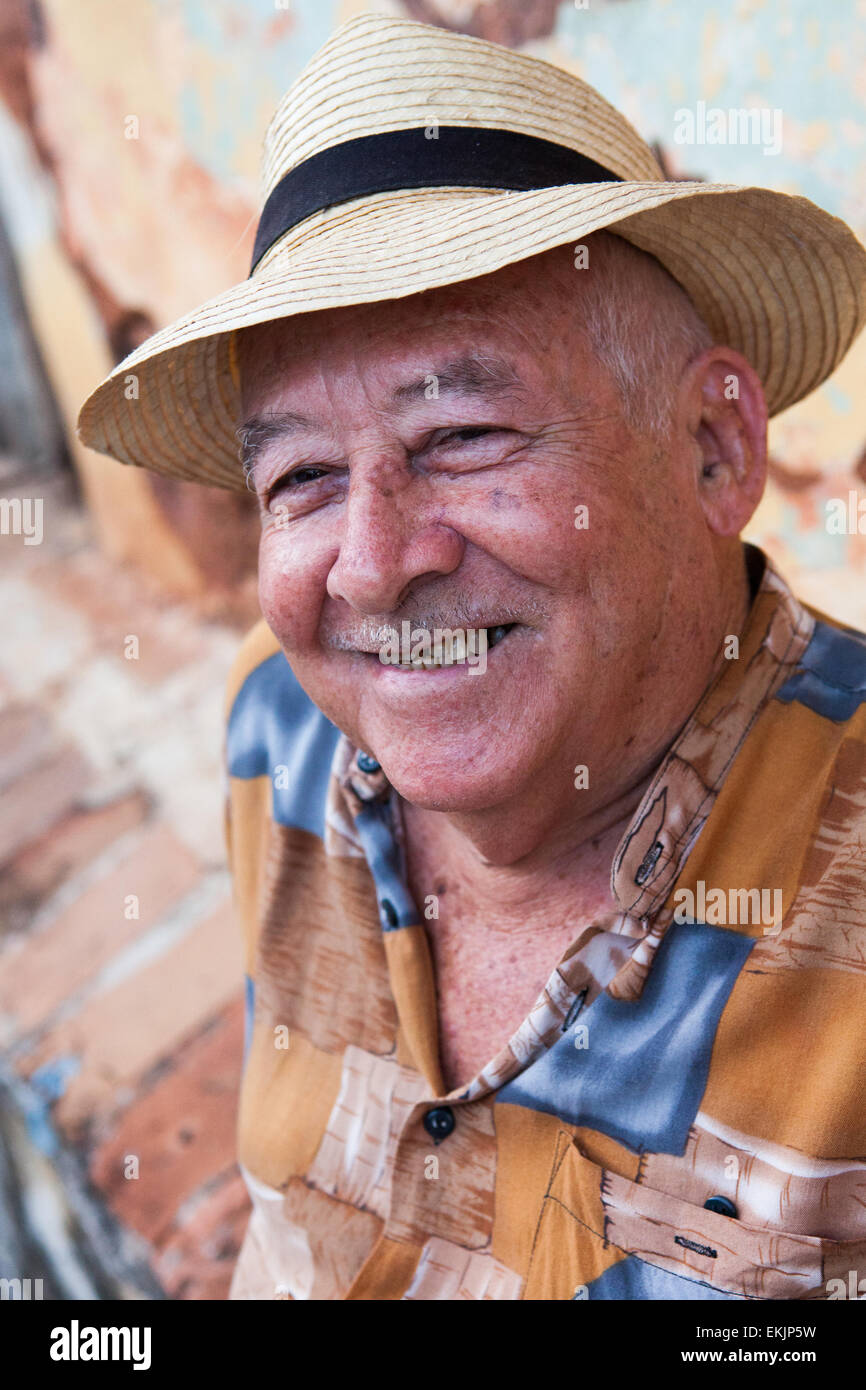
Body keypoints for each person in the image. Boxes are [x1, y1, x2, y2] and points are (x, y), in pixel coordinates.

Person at [77, 14, 866, 1301]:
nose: (372, 563)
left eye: (462, 436)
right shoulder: (275, 734)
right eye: (303, 477)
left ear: (714, 449)